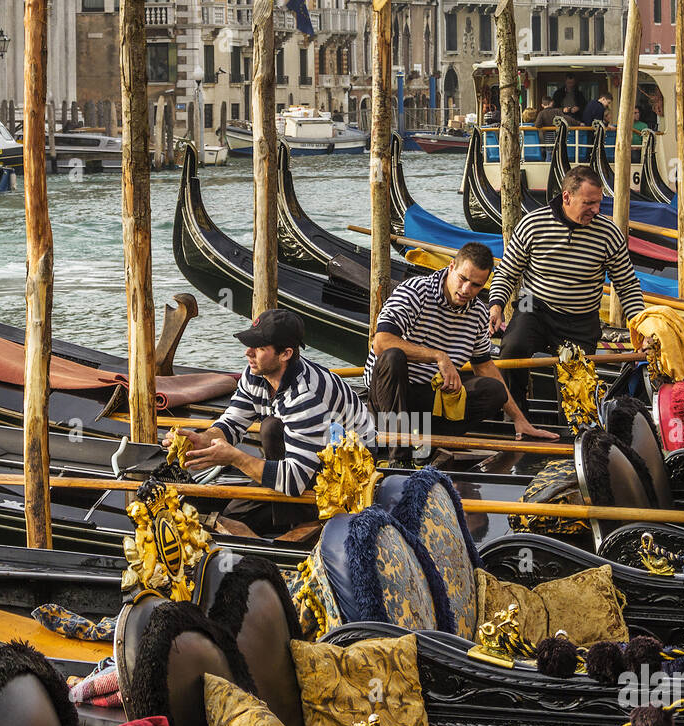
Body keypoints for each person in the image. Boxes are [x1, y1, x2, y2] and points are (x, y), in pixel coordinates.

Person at [169, 309, 375, 535]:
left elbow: (294, 479)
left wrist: (235, 458)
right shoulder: (255, 373)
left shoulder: (305, 397)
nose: (248, 353)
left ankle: (307, 520)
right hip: (303, 457)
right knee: (230, 517)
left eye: (259, 348)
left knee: (271, 428)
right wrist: (202, 439)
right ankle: (292, 516)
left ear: (285, 354)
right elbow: (232, 423)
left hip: (346, 470)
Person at [365, 242, 559, 465]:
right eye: (463, 279)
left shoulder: (477, 313)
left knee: (493, 390)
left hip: (428, 398)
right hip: (387, 395)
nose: (467, 290)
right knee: (393, 356)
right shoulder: (415, 291)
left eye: (476, 285)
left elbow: (485, 367)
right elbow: (381, 342)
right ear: (451, 267)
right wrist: (439, 356)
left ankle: (430, 441)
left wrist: (520, 419)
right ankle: (400, 457)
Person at [488, 164, 645, 416]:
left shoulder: (608, 233)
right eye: (588, 203)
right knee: (512, 349)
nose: (595, 210)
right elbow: (507, 272)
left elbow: (626, 284)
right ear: (566, 197)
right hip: (533, 304)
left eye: (598, 203)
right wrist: (496, 304)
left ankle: (573, 428)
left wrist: (641, 327)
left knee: (578, 395)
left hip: (580, 316)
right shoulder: (532, 224)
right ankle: (516, 416)